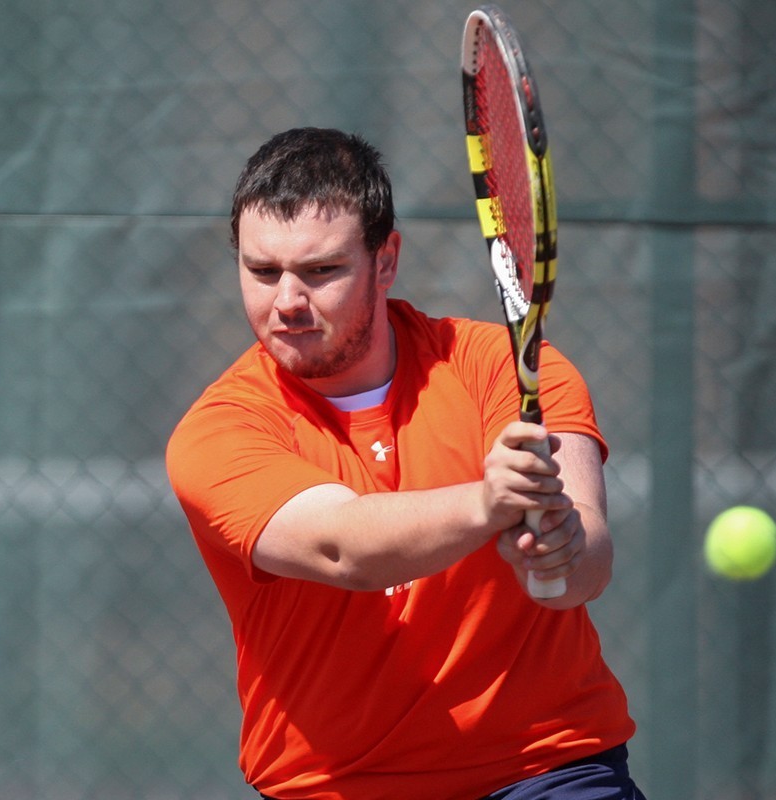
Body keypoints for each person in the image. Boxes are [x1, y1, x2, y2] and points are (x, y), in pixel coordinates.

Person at [166, 127, 644, 800]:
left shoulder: (500, 369)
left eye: (322, 270)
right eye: (262, 272)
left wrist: (560, 548)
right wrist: (487, 503)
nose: (287, 303)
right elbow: (340, 549)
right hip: (337, 786)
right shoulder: (219, 431)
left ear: (385, 260)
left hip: (548, 770)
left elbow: (585, 567)